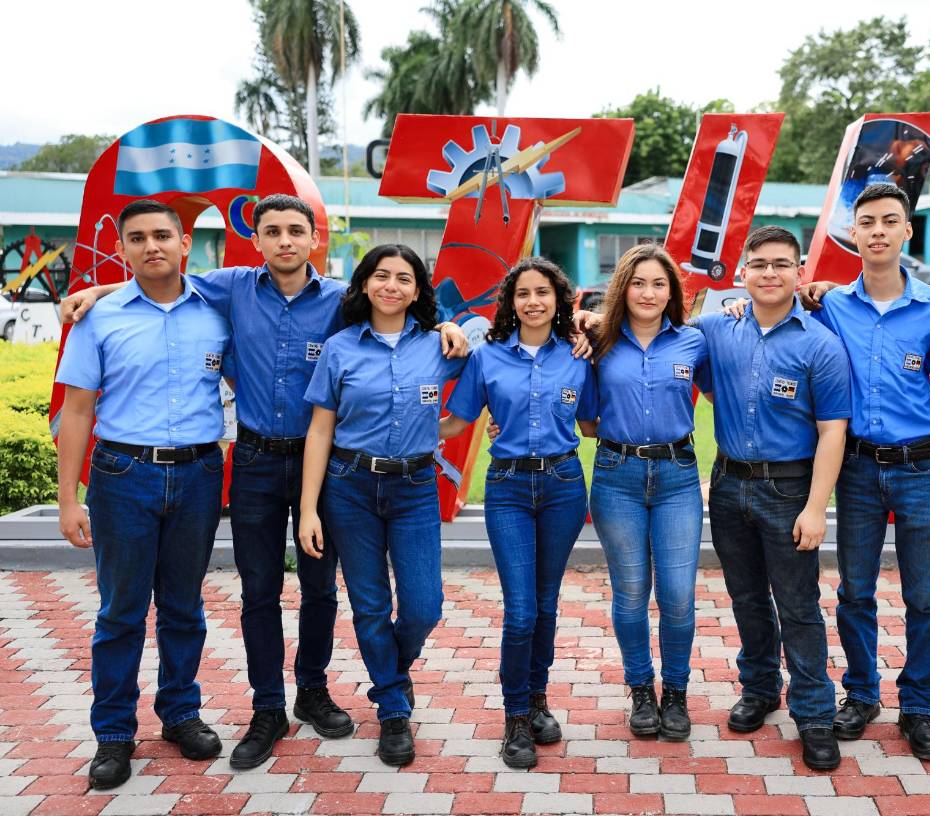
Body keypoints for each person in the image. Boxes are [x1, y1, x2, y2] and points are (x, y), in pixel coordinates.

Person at [60, 195, 467, 768]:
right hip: (252, 461)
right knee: (259, 592)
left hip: (323, 467)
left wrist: (451, 322)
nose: (284, 241)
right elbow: (163, 276)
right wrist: (94, 294)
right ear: (257, 239)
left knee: (322, 588)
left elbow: (401, 320)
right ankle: (268, 707)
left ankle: (313, 690)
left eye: (295, 231)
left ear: (313, 240)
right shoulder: (229, 288)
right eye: (271, 231)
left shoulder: (341, 303)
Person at [56, 199, 230, 789]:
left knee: (184, 607)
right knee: (121, 612)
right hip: (122, 476)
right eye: (137, 239)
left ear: (185, 244)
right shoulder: (97, 320)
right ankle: (112, 732)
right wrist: (67, 498)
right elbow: (77, 410)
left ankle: (180, 713)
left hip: (201, 476)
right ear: (123, 249)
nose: (151, 246)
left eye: (162, 236)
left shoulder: (218, 309)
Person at [297, 244, 466, 767]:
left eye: (404, 278)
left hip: (414, 486)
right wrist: (308, 509)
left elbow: (492, 367)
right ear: (364, 284)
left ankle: (393, 668)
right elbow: (321, 429)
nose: (391, 286)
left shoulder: (441, 346)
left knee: (424, 604)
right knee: (370, 605)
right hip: (349, 488)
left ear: (418, 290)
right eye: (381, 276)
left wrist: (452, 330)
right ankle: (393, 709)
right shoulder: (341, 348)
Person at [810, 184, 930, 759]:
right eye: (866, 221)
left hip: (922, 467)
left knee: (924, 597)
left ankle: (918, 705)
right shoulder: (831, 304)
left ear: (907, 232)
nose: (876, 230)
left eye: (889, 221)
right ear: (853, 233)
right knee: (855, 591)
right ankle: (862, 692)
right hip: (856, 468)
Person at [697, 226, 851, 770]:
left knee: (799, 606)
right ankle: (760, 688)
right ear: (742, 272)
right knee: (746, 597)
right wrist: (592, 319)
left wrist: (815, 507)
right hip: (729, 483)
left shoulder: (820, 344)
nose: (769, 273)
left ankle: (812, 713)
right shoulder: (717, 329)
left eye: (781, 264)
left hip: (790, 489)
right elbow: (656, 333)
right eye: (759, 264)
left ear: (799, 271)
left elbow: (833, 430)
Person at [441, 257, 597, 769]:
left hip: (563, 486)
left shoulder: (578, 356)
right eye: (523, 293)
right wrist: (388, 428)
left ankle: (537, 699)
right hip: (507, 487)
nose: (533, 301)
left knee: (547, 604)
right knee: (522, 609)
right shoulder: (487, 358)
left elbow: (594, 424)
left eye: (543, 292)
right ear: (510, 302)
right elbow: (458, 422)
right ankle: (513, 717)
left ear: (559, 301)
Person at [588, 244, 707, 740]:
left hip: (678, 476)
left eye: (659, 284)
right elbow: (580, 412)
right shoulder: (596, 342)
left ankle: (675, 693)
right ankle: (641, 689)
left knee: (678, 595)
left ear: (672, 292)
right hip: (617, 475)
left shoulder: (694, 342)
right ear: (622, 288)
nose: (649, 292)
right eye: (638, 282)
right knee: (632, 592)